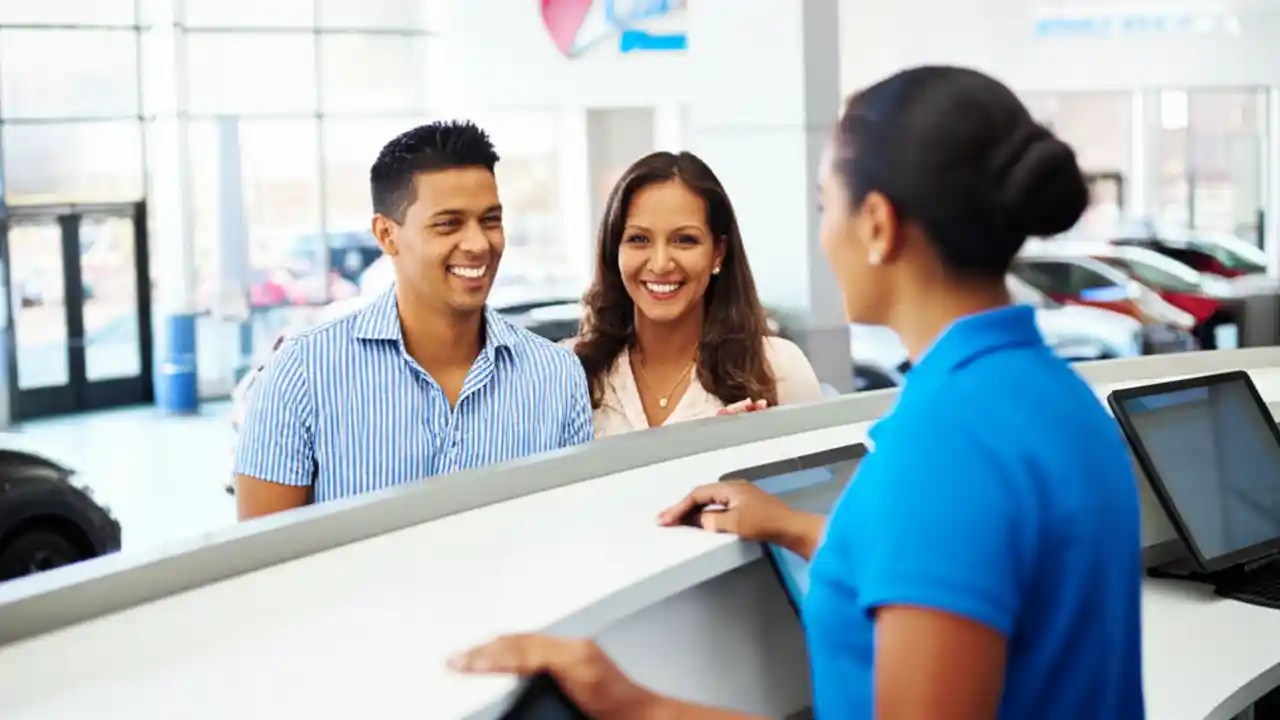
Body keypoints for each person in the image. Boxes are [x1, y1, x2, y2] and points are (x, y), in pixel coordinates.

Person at [450, 67, 1144, 719]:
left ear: (876, 224)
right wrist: (792, 525)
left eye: (825, 205)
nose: (821, 235)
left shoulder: (945, 445)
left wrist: (634, 704)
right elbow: (961, 560)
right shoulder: (1054, 397)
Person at [233, 121, 593, 520]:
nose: (478, 244)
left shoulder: (557, 377)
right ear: (386, 235)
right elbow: (263, 561)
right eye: (448, 224)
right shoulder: (302, 373)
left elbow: (568, 535)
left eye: (490, 220)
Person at [567, 151, 823, 436]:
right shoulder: (568, 371)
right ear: (615, 249)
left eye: (684, 240)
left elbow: (818, 478)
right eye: (639, 239)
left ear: (718, 252)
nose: (661, 263)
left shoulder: (779, 368)